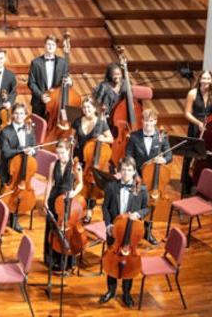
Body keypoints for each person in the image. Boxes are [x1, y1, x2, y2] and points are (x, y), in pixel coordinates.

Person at [99, 156, 149, 308]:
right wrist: (108, 225)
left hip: (131, 233)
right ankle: (110, 291)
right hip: (115, 231)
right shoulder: (111, 187)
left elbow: (147, 208)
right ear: (119, 171)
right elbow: (105, 208)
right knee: (111, 261)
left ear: (134, 171)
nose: (126, 173)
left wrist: (138, 214)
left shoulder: (141, 189)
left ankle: (126, 293)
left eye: (129, 170)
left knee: (129, 262)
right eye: (123, 170)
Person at [125, 108, 170, 244]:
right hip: (137, 175)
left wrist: (164, 160)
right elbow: (128, 156)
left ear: (155, 121)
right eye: (146, 121)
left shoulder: (162, 136)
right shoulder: (134, 137)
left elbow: (169, 155)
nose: (148, 124)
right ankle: (133, 231)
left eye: (151, 121)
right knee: (135, 205)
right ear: (142, 121)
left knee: (152, 205)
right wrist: (135, 175)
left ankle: (148, 231)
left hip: (153, 179)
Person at [42, 139, 83, 271]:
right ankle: (51, 259)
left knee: (67, 230)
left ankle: (67, 260)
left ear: (69, 151)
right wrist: (45, 200)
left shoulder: (75, 166)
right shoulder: (54, 164)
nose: (60, 156)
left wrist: (73, 192)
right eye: (58, 153)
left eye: (63, 153)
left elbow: (80, 183)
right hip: (54, 199)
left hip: (67, 200)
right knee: (53, 229)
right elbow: (50, 182)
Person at [72, 96, 114, 223]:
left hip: (93, 158)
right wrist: (71, 143)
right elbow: (72, 137)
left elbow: (111, 139)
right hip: (80, 156)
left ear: (94, 108)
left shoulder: (101, 123)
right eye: (84, 107)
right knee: (77, 183)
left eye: (88, 107)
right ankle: (77, 208)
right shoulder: (78, 121)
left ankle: (89, 212)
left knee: (91, 186)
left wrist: (103, 139)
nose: (86, 110)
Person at [0, 103, 36, 232]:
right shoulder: (5, 131)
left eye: (22, 113)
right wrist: (21, 150)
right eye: (16, 113)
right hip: (9, 169)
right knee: (6, 196)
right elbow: (5, 152)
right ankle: (2, 220)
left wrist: (32, 152)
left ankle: (14, 220)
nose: (19, 116)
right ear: (12, 114)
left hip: (23, 169)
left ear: (26, 115)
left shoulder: (29, 129)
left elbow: (34, 148)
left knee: (19, 194)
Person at [183, 70, 212, 195]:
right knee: (192, 155)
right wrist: (198, 123)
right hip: (195, 126)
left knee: (205, 156)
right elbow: (186, 113)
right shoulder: (192, 93)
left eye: (209, 78)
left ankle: (202, 185)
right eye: (204, 78)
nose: (206, 81)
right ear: (200, 79)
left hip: (208, 127)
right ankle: (188, 184)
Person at [27, 35, 70, 119]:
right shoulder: (36, 62)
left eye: (53, 45)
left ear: (56, 47)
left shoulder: (63, 63)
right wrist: (41, 95)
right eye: (48, 44)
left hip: (55, 102)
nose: (50, 47)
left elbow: (66, 80)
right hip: (39, 102)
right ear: (44, 46)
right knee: (38, 129)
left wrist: (70, 82)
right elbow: (31, 83)